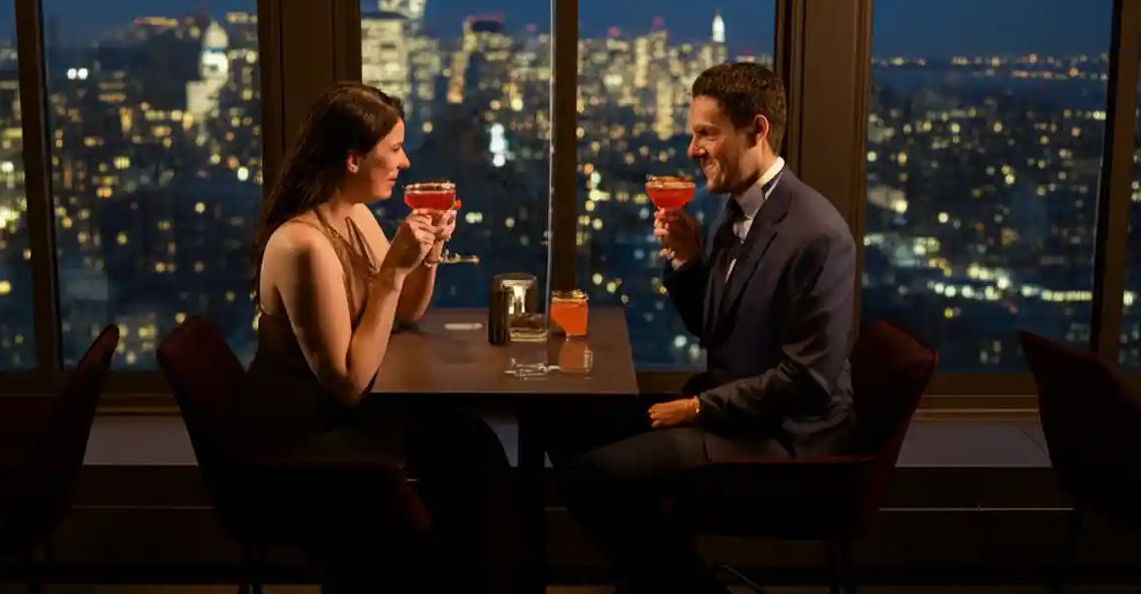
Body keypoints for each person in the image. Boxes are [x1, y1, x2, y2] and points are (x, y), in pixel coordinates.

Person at [546, 63, 857, 593]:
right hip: (732, 410)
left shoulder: (817, 235)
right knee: (563, 420)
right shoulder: (734, 210)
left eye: (706, 133)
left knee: (593, 478)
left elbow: (806, 380)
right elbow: (714, 332)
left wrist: (696, 409)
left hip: (784, 438)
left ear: (756, 131)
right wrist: (690, 263)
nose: (692, 150)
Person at [245, 82, 513, 591]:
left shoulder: (355, 217)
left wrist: (426, 256)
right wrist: (391, 273)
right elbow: (348, 384)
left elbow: (405, 311)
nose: (404, 162)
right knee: (467, 457)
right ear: (353, 160)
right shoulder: (304, 246)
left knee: (471, 446)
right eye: (394, 149)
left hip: (343, 419)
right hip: (304, 442)